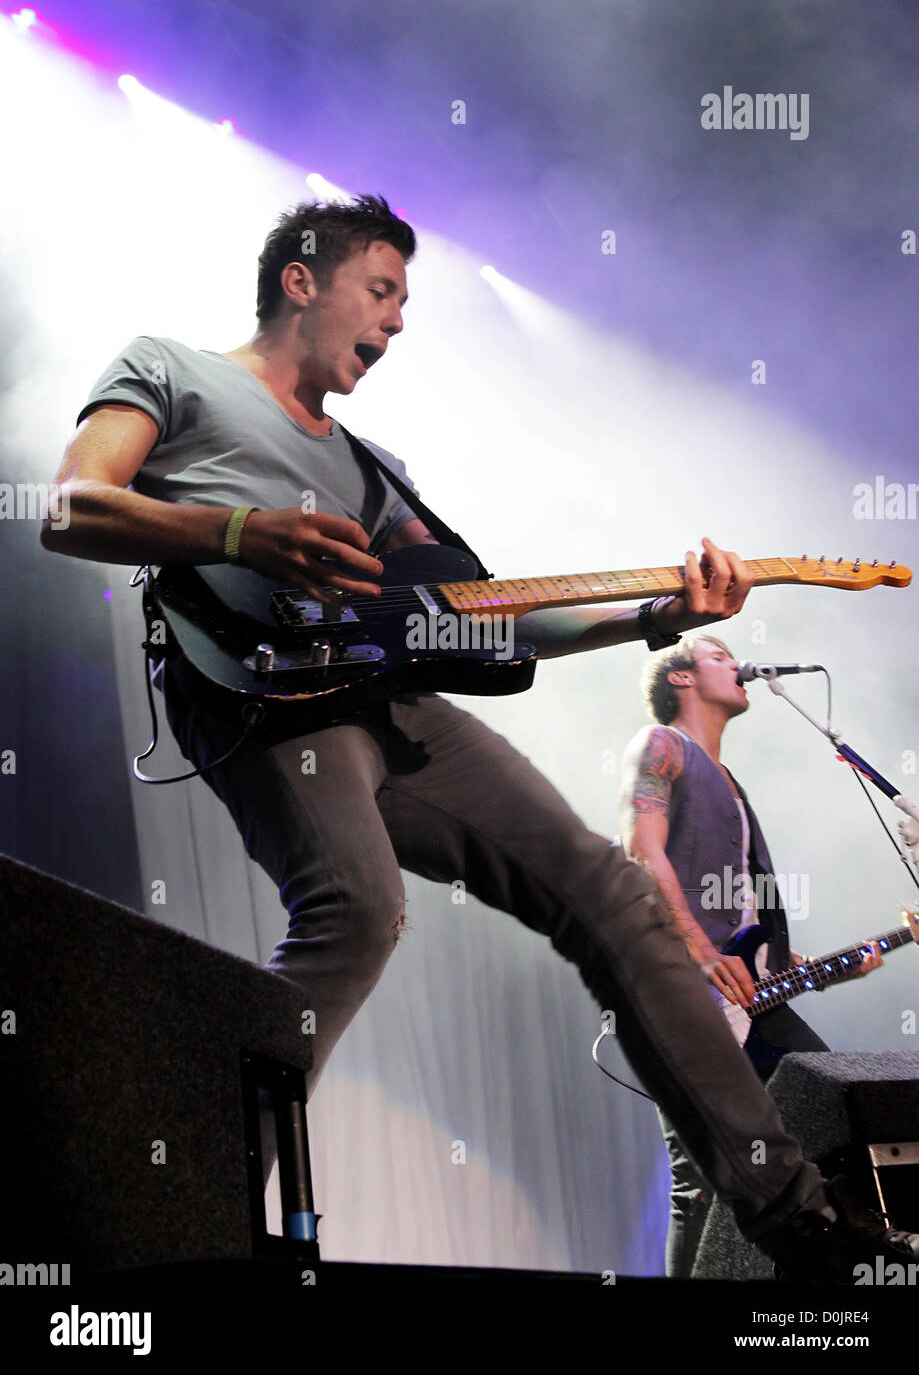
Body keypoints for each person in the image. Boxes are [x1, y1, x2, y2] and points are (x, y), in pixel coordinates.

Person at [41, 193, 913, 1280]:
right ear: (302, 279)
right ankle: (172, 1177)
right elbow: (70, 505)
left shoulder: (372, 466)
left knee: (610, 894)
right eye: (383, 290)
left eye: (406, 301)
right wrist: (236, 531)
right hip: (259, 704)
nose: (399, 321)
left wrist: (662, 617)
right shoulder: (171, 370)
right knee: (357, 908)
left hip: (389, 703)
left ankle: (798, 1219)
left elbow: (484, 616)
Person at [620, 634, 882, 1277]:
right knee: (701, 1182)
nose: (737, 664)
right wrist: (701, 951)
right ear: (680, 679)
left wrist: (802, 965)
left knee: (845, 1130)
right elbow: (641, 852)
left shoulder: (731, 783)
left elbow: (745, 919)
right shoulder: (661, 746)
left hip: (747, 997)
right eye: (717, 655)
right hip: (680, 987)